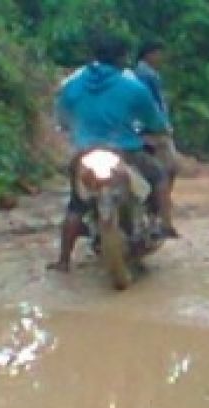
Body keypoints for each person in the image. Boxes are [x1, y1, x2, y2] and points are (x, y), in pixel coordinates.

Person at [50, 34, 176, 272]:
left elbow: (62, 118)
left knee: (76, 204)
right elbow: (156, 122)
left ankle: (64, 260)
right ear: (121, 58)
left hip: (85, 154)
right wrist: (157, 131)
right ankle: (163, 224)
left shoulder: (73, 85)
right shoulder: (133, 86)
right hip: (124, 153)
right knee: (160, 175)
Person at [134, 41, 180, 195]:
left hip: (136, 129)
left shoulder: (142, 74)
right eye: (158, 53)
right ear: (149, 54)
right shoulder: (146, 75)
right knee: (170, 166)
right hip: (150, 129)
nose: (161, 57)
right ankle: (161, 208)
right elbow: (151, 105)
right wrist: (163, 125)